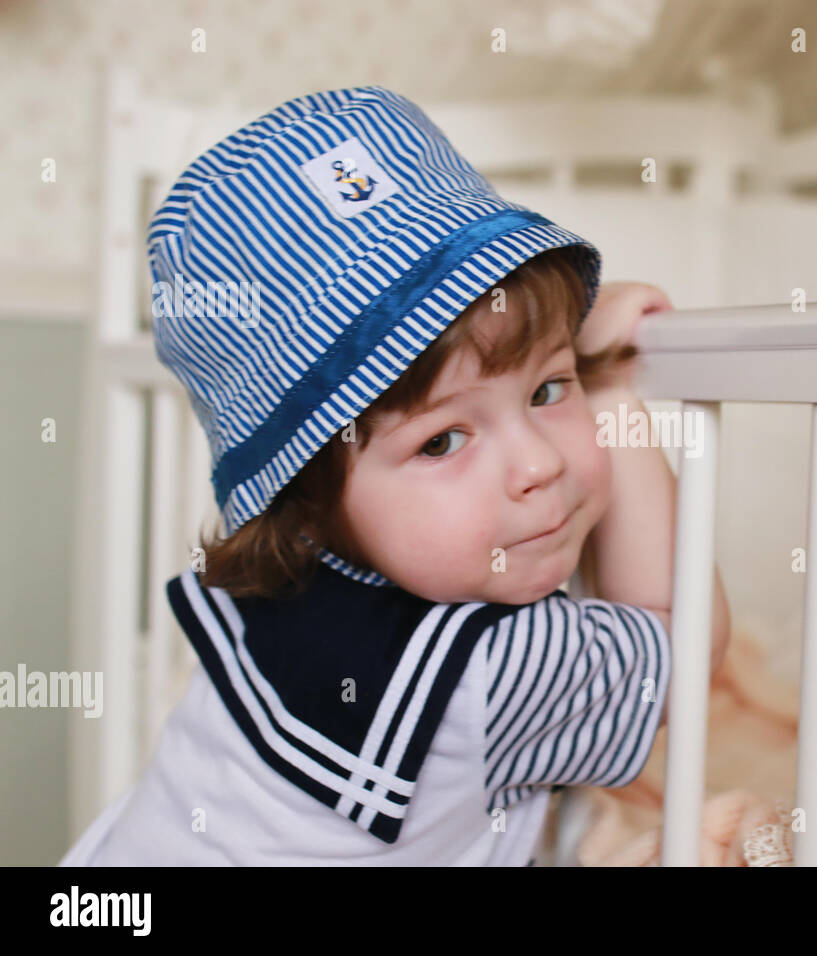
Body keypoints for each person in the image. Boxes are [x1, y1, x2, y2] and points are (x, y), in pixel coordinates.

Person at [58, 85, 730, 865]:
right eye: (442, 442)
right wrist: (613, 387)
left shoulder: (283, 589)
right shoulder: (490, 669)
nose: (540, 464)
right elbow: (680, 635)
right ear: (303, 506)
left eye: (550, 388)